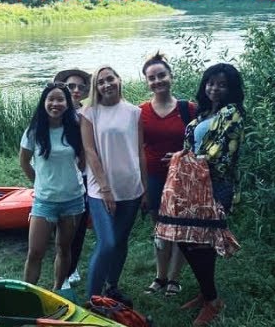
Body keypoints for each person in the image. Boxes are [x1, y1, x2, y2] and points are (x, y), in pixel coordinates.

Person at [167, 63, 246, 325]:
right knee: (185, 236)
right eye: (211, 82)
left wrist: (186, 160)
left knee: (199, 240)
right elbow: (192, 147)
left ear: (231, 88)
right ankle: (206, 293)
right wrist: (180, 157)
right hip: (192, 184)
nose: (215, 88)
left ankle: (212, 301)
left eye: (222, 84)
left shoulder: (232, 114)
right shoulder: (203, 113)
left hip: (215, 186)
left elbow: (224, 157)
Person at [80, 66, 145, 301]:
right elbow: (89, 150)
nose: (106, 85)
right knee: (106, 243)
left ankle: (112, 287)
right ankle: (92, 300)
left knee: (120, 242)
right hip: (101, 189)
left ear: (119, 80)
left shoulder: (134, 112)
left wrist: (145, 188)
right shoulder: (89, 112)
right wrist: (105, 187)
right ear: (96, 88)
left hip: (131, 187)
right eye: (100, 82)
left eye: (110, 79)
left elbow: (139, 152)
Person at [20, 82, 86, 290]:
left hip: (73, 200)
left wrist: (71, 176)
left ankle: (57, 290)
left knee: (64, 249)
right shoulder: (34, 131)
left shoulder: (76, 128)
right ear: (44, 102)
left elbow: (83, 159)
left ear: (68, 103)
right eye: (51, 99)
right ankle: (27, 294)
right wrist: (39, 183)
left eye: (60, 99)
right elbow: (24, 161)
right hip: (44, 201)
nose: (55, 103)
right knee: (35, 252)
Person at [138, 53, 195, 297]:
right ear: (147, 82)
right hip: (153, 177)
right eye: (152, 78)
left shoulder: (188, 108)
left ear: (171, 76)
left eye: (161, 75)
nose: (157, 81)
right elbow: (136, 148)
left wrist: (181, 154)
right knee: (161, 228)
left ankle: (174, 279)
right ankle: (160, 277)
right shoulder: (140, 112)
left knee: (180, 227)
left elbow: (200, 145)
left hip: (182, 178)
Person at [54, 68, 93, 291]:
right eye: (71, 86)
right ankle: (62, 263)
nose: (76, 90)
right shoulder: (55, 111)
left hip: (85, 176)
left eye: (80, 86)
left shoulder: (88, 112)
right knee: (60, 226)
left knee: (78, 226)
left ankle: (71, 267)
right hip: (59, 178)